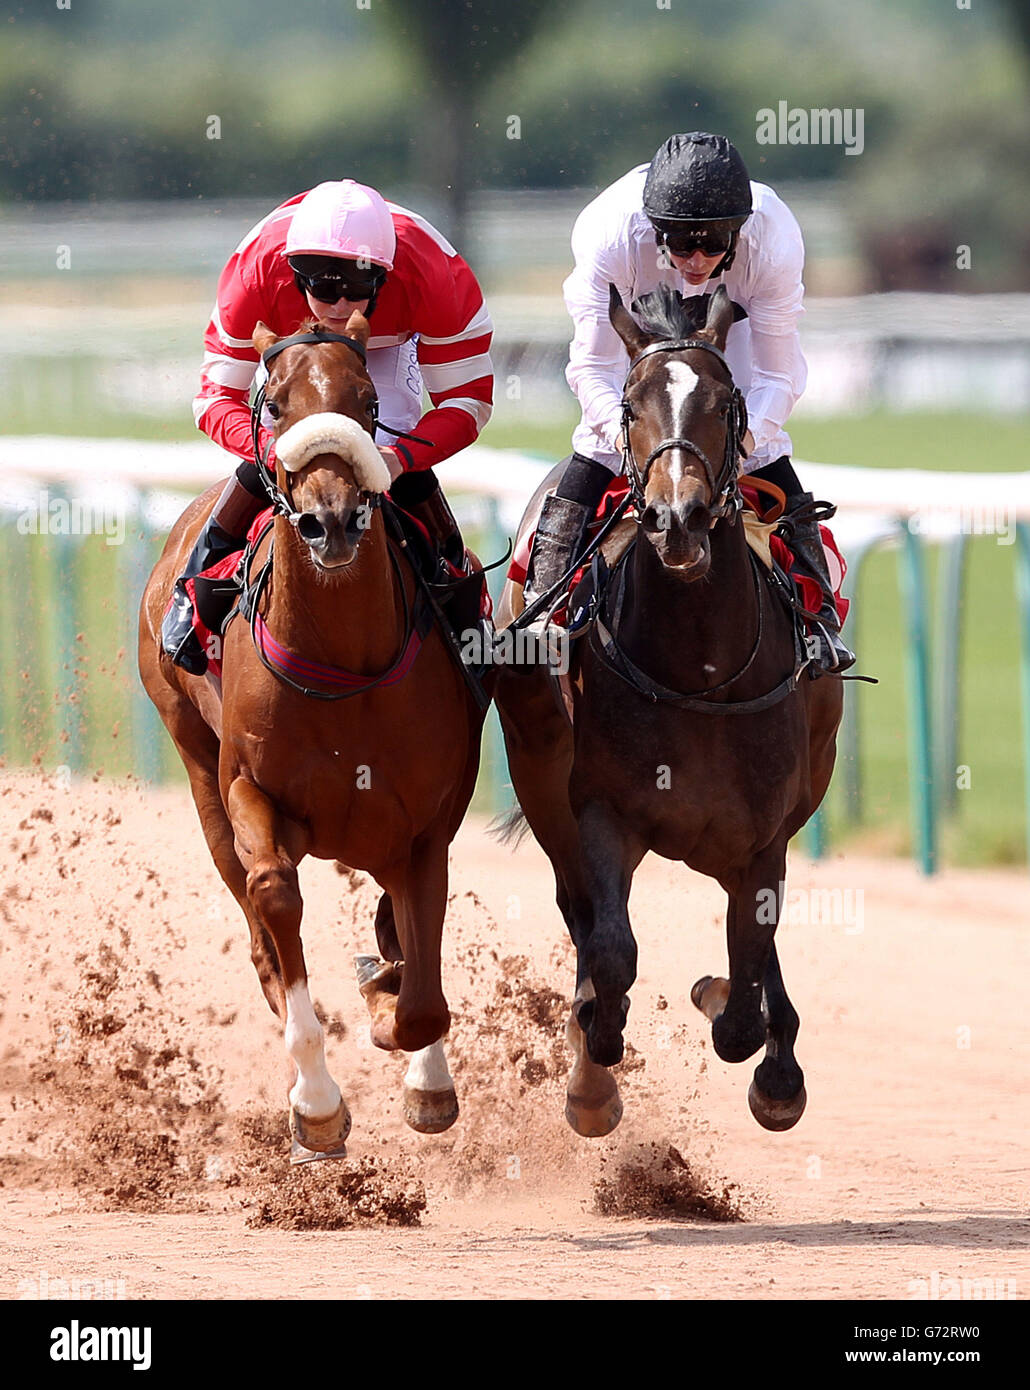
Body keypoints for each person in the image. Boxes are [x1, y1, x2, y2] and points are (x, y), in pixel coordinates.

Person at [524, 131, 854, 672]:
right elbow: (592, 367)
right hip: (635, 343)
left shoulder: (772, 238)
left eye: (713, 245)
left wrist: (743, 444)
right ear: (655, 232)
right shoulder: (609, 235)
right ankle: (542, 610)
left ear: (739, 232)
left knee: (768, 454)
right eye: (680, 246)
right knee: (596, 450)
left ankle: (819, 626)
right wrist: (624, 435)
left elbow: (779, 372)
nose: (696, 259)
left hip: (731, 333)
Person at [162, 178, 494, 674]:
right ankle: (196, 589)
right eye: (322, 288)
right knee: (285, 447)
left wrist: (397, 459)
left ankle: (461, 598)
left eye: (358, 289)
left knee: (390, 439)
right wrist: (278, 453)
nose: (340, 307)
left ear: (384, 274)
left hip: (384, 345)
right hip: (287, 347)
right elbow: (213, 399)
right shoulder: (254, 272)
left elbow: (468, 403)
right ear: (295, 274)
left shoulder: (436, 277)